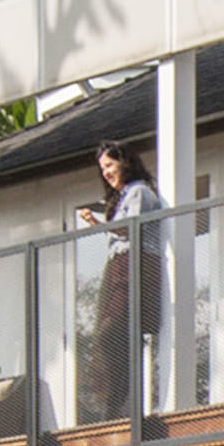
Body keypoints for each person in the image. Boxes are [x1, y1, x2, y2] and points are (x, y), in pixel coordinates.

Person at [73, 143, 167, 418]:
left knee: (113, 331)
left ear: (125, 162)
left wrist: (98, 223)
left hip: (134, 263)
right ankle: (115, 403)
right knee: (109, 334)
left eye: (110, 165)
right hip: (118, 265)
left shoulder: (139, 191)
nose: (106, 173)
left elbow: (130, 229)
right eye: (102, 169)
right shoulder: (123, 195)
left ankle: (121, 402)